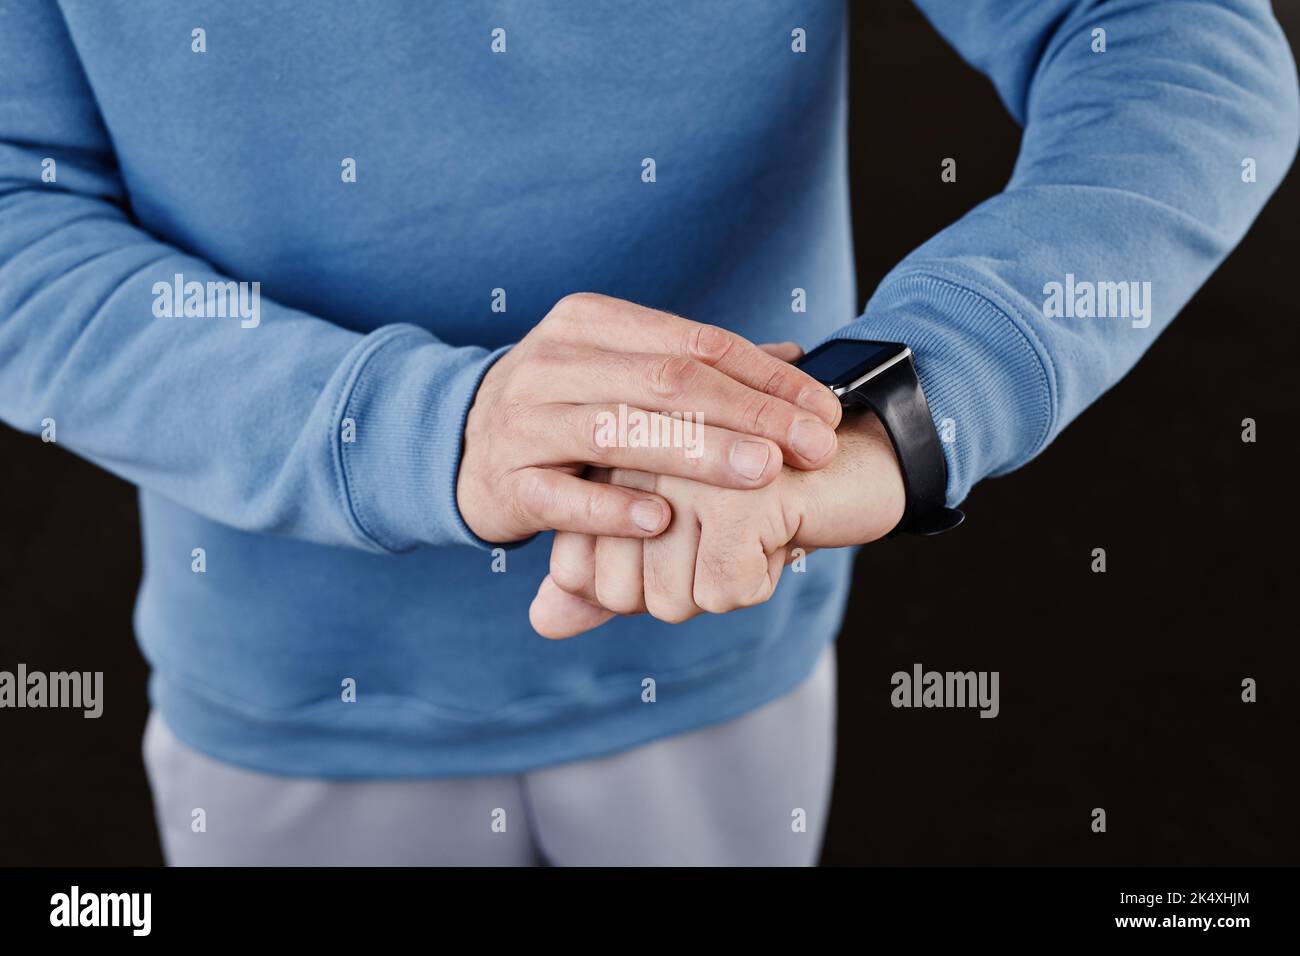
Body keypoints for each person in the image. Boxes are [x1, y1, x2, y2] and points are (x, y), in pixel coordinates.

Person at [1, 1, 1294, 866]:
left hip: (728, 624)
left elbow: (1171, 36)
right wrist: (429, 430)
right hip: (286, 694)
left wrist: (895, 408)